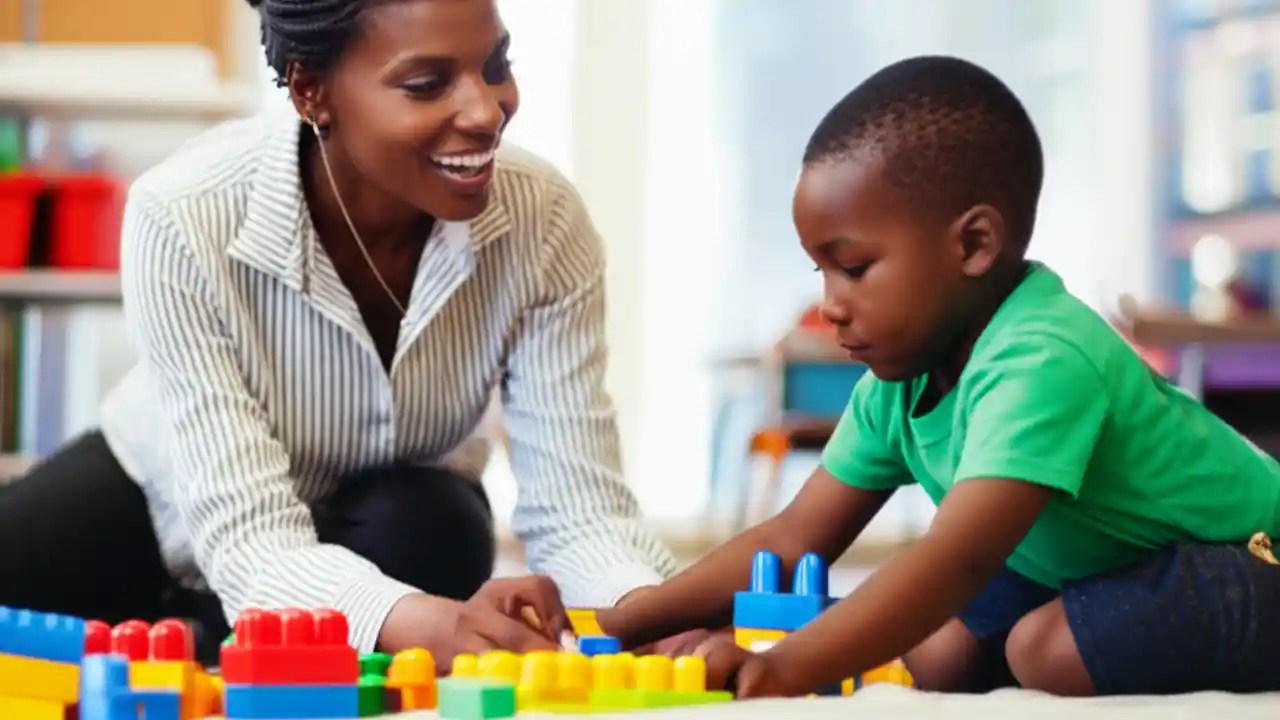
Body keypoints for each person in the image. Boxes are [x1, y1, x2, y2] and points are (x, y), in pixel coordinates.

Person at [0, 0, 677, 665]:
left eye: (496, 65)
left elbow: (580, 509)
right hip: (162, 499)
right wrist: (432, 628)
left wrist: (666, 618)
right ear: (310, 90)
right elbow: (250, 539)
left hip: (391, 523)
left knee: (428, 537)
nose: (485, 110)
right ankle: (203, 632)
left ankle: (211, 640)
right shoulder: (183, 213)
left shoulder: (544, 220)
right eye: (427, 84)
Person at [595, 55, 1280, 697]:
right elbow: (792, 536)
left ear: (974, 245)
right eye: (821, 271)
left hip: (1249, 558)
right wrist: (628, 620)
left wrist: (781, 670)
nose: (830, 303)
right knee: (933, 654)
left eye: (854, 268)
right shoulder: (897, 384)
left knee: (1048, 651)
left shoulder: (1042, 358)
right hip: (1100, 562)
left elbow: (957, 559)